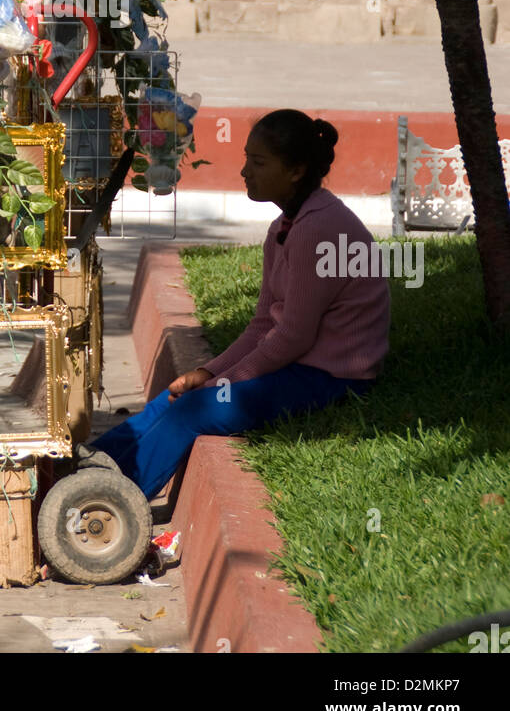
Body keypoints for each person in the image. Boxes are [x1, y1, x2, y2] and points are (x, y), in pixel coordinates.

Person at [83, 110, 391, 501]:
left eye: (258, 163)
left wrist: (223, 382)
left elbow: (293, 336)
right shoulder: (285, 226)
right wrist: (207, 371)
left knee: (194, 411)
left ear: (296, 171)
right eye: (247, 158)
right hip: (298, 365)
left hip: (331, 379)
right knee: (174, 397)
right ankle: (92, 470)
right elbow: (263, 324)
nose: (245, 171)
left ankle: (109, 502)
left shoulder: (317, 229)